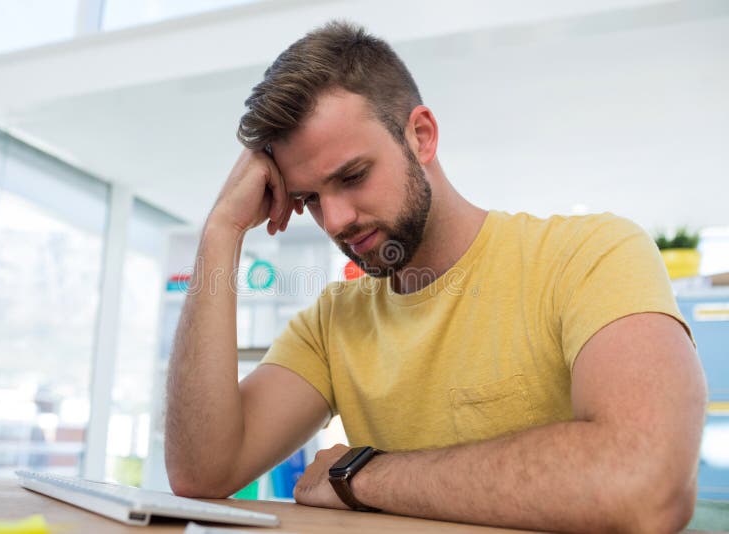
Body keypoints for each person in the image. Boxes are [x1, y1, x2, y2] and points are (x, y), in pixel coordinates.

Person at [165, 21, 706, 533]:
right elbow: (202, 473)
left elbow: (646, 486)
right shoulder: (333, 323)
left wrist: (363, 474)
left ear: (421, 136)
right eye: (309, 198)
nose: (335, 220)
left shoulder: (591, 255)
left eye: (352, 177)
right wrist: (221, 231)